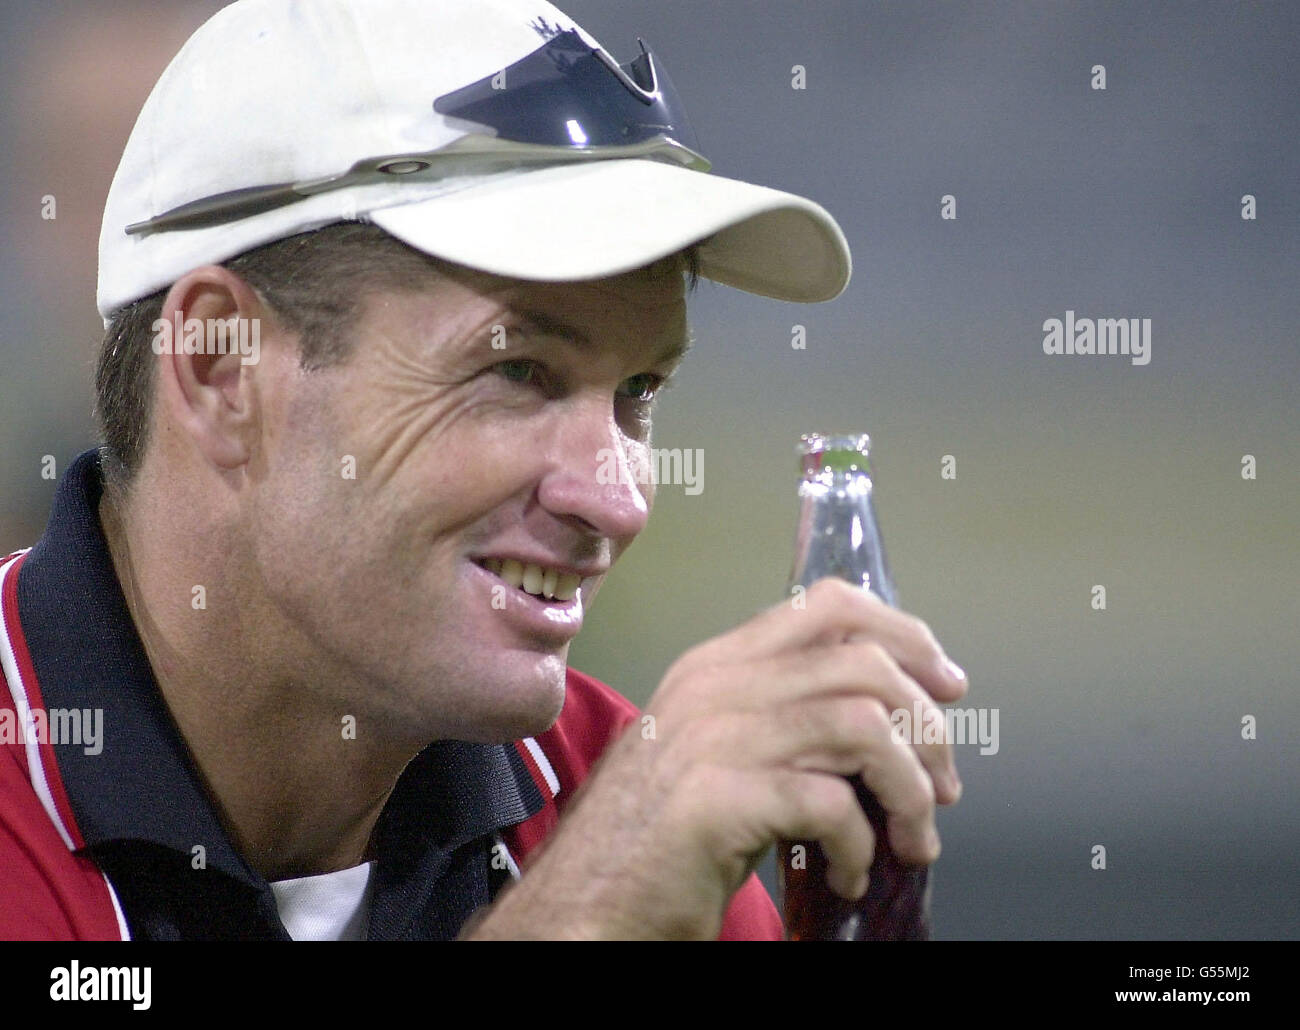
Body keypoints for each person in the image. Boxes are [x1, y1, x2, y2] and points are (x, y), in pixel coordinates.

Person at [0, 0, 967, 941]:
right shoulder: (622, 864)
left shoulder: (615, 802)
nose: (615, 500)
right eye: (516, 372)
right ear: (220, 372)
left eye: (637, 391)